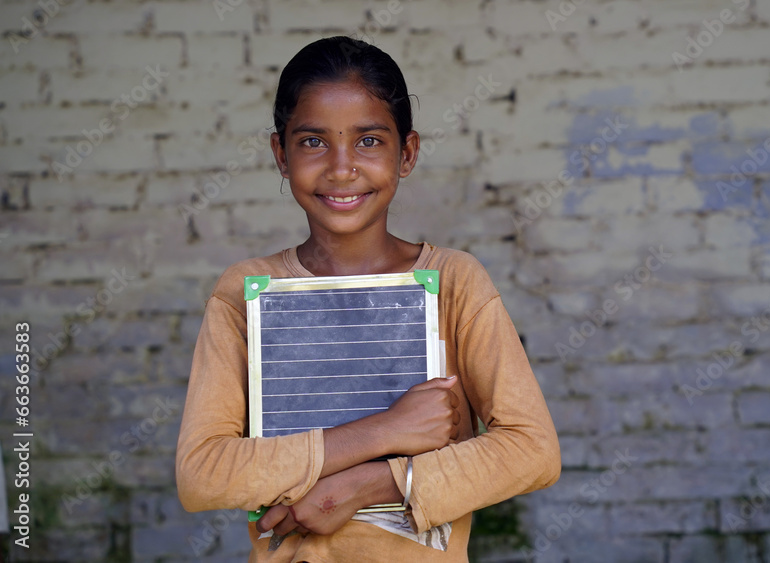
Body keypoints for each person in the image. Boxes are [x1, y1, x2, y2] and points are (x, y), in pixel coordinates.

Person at [175, 36, 561, 561]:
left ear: (407, 153)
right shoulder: (244, 293)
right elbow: (202, 474)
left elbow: (533, 452)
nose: (340, 168)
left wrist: (365, 485)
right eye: (313, 141)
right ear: (280, 154)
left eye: (369, 141)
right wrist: (386, 430)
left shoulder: (453, 282)